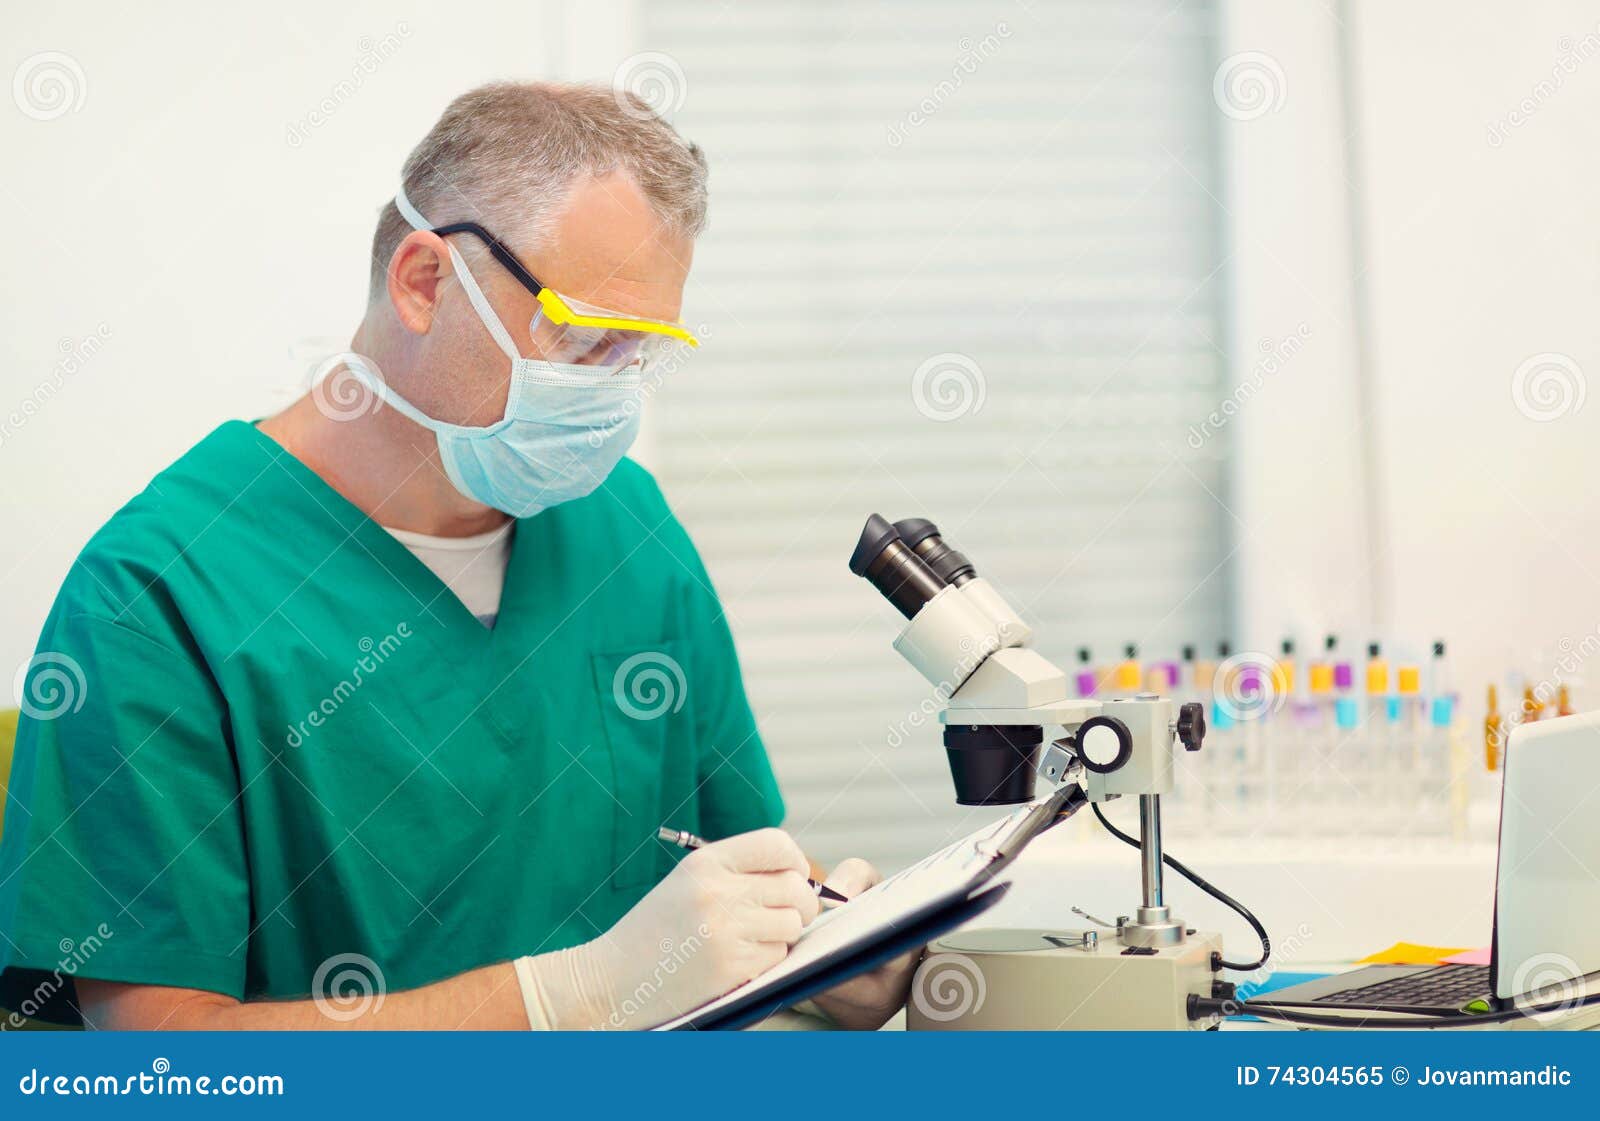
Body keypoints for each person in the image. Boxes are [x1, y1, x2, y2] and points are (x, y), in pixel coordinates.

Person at [0, 82, 915, 1030]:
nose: (611, 393)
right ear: (424, 282)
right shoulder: (158, 594)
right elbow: (158, 1061)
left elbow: (731, 853)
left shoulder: (625, 526)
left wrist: (823, 941)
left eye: (637, 353)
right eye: (583, 337)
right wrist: (565, 997)